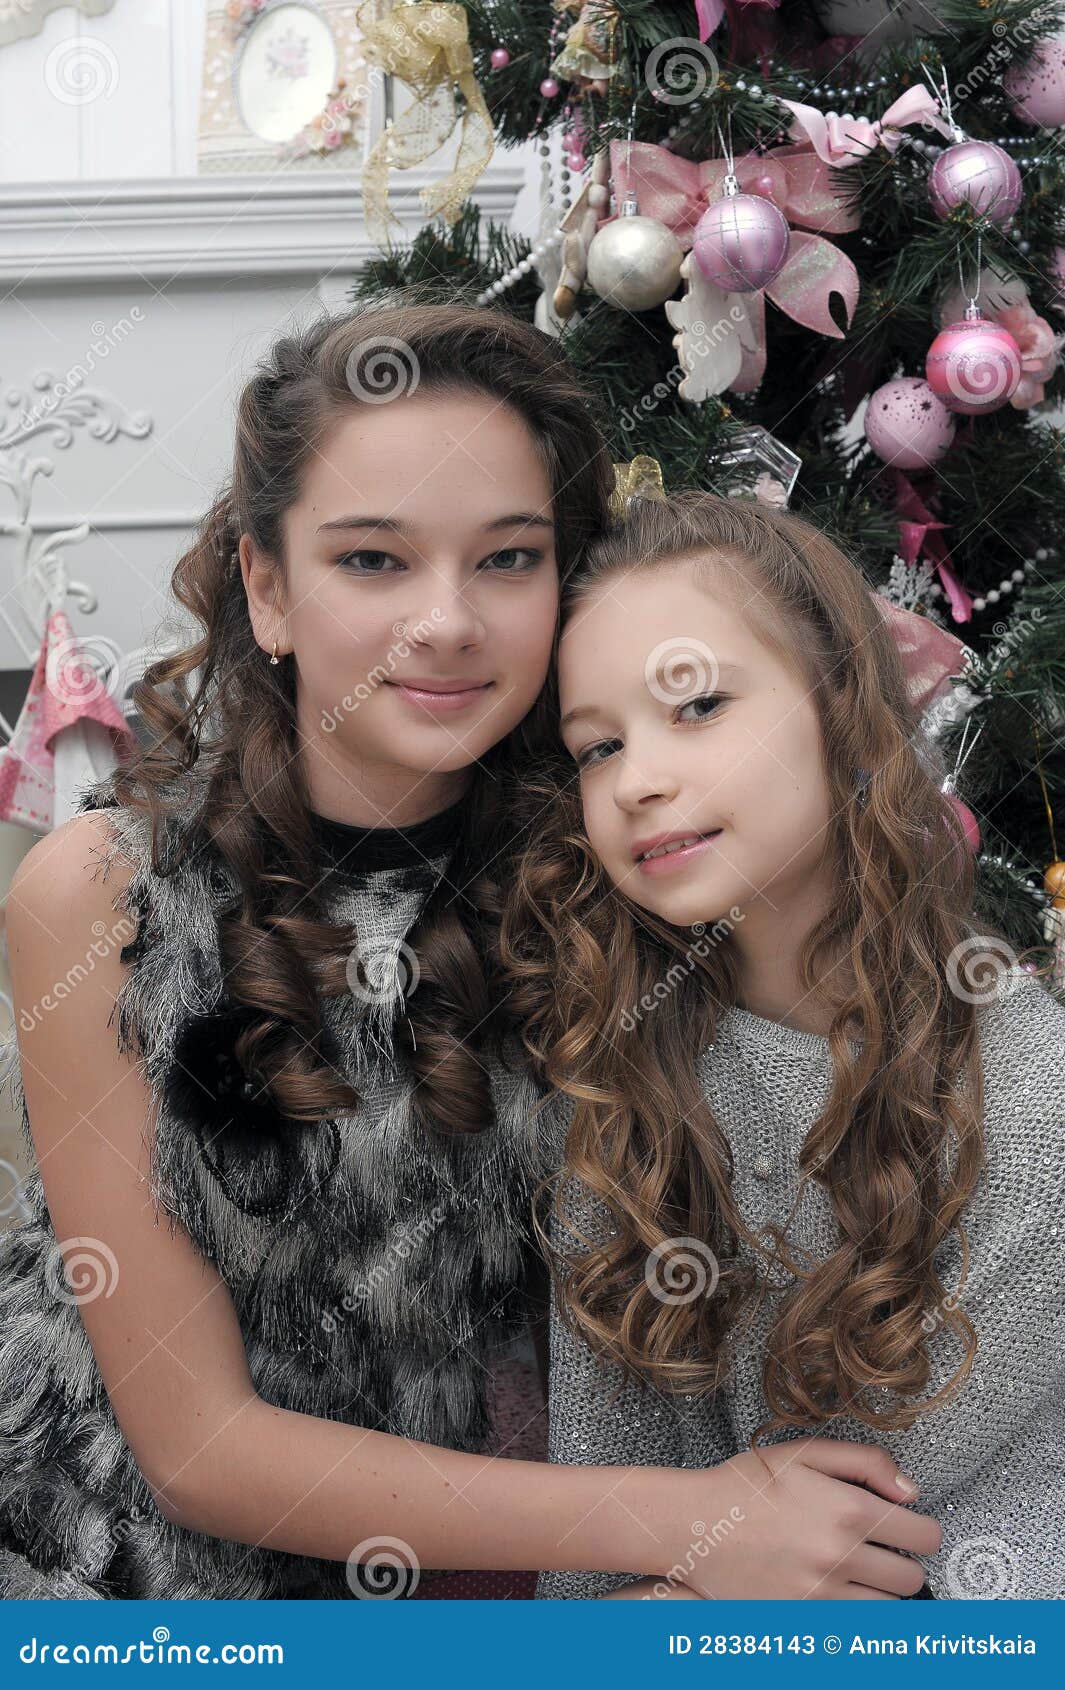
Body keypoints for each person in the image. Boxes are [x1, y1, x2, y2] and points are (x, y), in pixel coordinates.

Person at [0, 307, 932, 1602]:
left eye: (506, 560)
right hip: (157, 1584)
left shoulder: (643, 865)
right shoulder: (103, 896)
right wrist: (687, 1523)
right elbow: (196, 1443)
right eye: (373, 560)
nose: (445, 621)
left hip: (537, 1575)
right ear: (267, 587)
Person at [501, 489, 1064, 1600]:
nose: (638, 781)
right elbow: (607, 1514)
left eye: (698, 705)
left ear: (842, 715)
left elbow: (869, 1534)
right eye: (598, 745)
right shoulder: (625, 1078)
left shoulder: (1032, 1094)